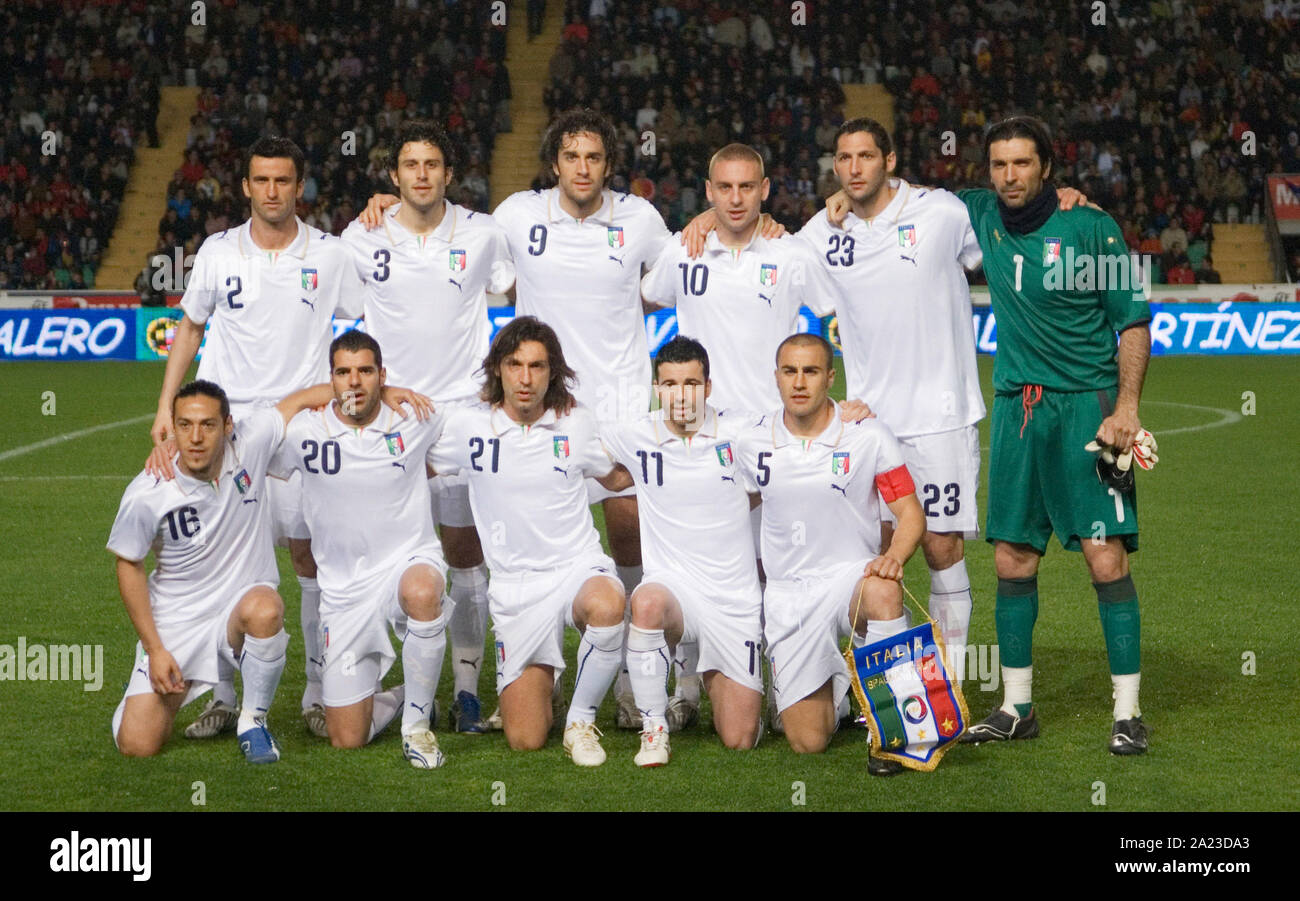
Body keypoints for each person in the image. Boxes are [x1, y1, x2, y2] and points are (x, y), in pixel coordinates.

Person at [148, 136, 360, 741]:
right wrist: (167, 405)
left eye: (284, 181)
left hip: (303, 430)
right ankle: (221, 694)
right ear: (246, 187)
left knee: (310, 560)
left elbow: (369, 322)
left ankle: (319, 693)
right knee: (222, 565)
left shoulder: (331, 254)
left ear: (300, 187)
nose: (272, 191)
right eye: (261, 180)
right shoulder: (217, 252)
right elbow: (188, 329)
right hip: (228, 433)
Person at [955, 116, 1152, 755]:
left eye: (1021, 164)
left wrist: (1126, 408)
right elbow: (893, 196)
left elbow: (1133, 321)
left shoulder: (1092, 228)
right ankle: (1017, 707)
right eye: (998, 165)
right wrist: (844, 197)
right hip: (1018, 410)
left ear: (1046, 168)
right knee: (1011, 556)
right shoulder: (978, 212)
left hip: (1087, 412)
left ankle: (1126, 713)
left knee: (1105, 558)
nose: (1009, 176)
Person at [341, 120, 515, 734]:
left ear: (448, 173)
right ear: (393, 176)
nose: (421, 175)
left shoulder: (484, 233)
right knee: (390, 553)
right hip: (389, 418)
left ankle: (467, 690)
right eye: (410, 165)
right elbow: (334, 323)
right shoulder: (360, 239)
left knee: (466, 552)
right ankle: (396, 679)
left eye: (432, 164)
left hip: (464, 414)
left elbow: (516, 288)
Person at [109, 378, 358, 761]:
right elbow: (128, 564)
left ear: (228, 426)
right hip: (178, 622)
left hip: (240, 608)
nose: (195, 437)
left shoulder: (251, 442)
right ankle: (145, 685)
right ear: (171, 430)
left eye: (207, 425)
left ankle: (252, 721)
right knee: (137, 746)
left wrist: (380, 395)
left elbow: (308, 397)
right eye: (185, 425)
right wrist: (156, 649)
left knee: (266, 608)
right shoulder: (148, 492)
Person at [428, 317, 631, 766]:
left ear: (552, 372)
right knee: (525, 738)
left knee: (608, 603)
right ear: (497, 369)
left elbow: (618, 476)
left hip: (575, 567)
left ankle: (580, 722)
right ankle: (548, 692)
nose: (525, 378)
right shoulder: (468, 426)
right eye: (515, 364)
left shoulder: (576, 423)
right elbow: (412, 464)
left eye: (537, 366)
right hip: (516, 588)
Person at [735, 334, 925, 774]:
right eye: (789, 371)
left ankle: (889, 729)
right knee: (808, 742)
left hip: (849, 580)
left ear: (830, 377)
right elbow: (729, 507)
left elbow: (909, 512)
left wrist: (893, 556)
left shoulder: (867, 435)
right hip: (788, 596)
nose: (799, 382)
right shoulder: (751, 441)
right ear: (777, 377)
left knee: (883, 593)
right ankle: (842, 687)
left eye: (811, 371)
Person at [270, 330, 451, 768]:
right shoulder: (304, 431)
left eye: (366, 372)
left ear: (382, 375)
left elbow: (484, 423)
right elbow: (251, 439)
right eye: (343, 373)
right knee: (347, 737)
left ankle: (417, 727)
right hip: (345, 593)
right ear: (330, 379)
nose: (355, 382)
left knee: (424, 591)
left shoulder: (416, 417)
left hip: (407, 564)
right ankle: (406, 693)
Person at [601, 336, 765, 765]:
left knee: (740, 737)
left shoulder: (743, 430)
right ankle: (654, 728)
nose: (681, 394)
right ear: (657, 388)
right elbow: (579, 448)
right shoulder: (634, 433)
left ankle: (718, 681)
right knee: (646, 600)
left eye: (691, 383)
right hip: (673, 592)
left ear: (708, 387)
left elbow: (803, 430)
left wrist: (849, 412)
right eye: (670, 384)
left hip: (733, 599)